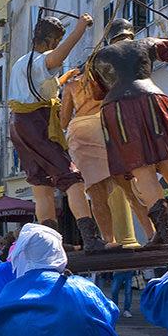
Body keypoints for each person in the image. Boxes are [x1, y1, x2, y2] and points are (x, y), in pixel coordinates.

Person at [92, 18, 168, 244]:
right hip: (152, 99)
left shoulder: (99, 57)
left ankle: (164, 234)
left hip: (117, 109)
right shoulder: (146, 42)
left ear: (110, 36)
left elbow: (98, 92)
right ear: (130, 33)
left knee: (143, 172)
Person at [8, 13, 107, 250]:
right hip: (37, 124)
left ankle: (49, 244)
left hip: (19, 124)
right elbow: (57, 57)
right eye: (56, 41)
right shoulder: (40, 59)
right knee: (72, 178)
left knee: (41, 185)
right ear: (51, 40)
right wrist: (81, 28)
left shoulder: (21, 62)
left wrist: (63, 79)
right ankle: (91, 239)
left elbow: (40, 86)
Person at [60, 67, 154, 245]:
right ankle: (152, 234)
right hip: (105, 124)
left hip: (82, 131)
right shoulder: (105, 80)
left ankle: (108, 240)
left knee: (97, 193)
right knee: (130, 189)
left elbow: (64, 121)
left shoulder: (71, 86)